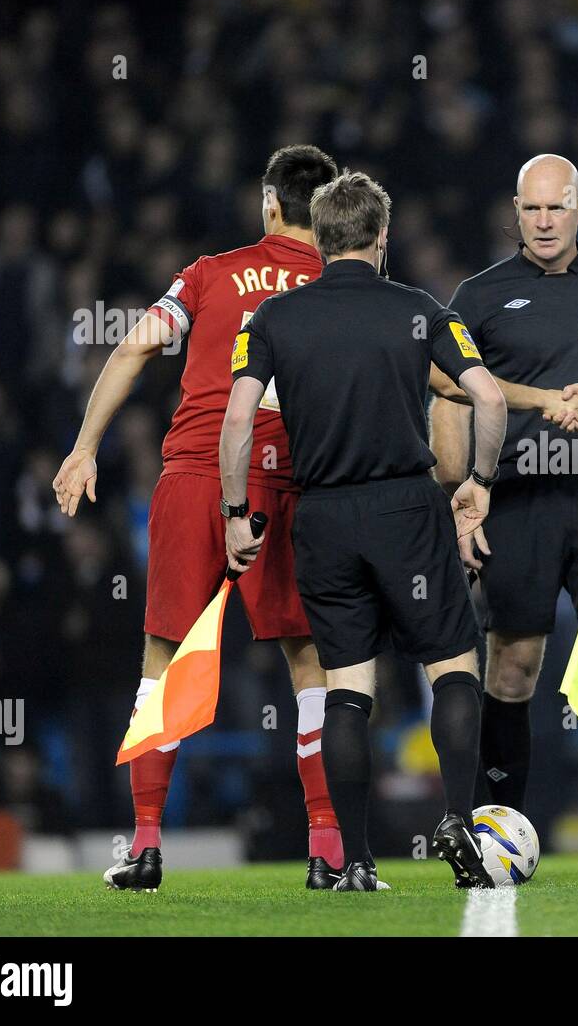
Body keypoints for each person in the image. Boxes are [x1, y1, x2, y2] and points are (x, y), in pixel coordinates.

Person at [52, 145, 355, 890]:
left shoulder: (208, 273)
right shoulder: (340, 282)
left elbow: (130, 348)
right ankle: (328, 851)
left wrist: (85, 447)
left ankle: (147, 844)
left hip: (192, 477)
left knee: (165, 660)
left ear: (268, 203)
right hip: (287, 482)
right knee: (309, 666)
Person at [221, 170, 508, 891]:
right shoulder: (418, 309)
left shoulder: (274, 320)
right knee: (452, 666)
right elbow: (488, 395)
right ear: (383, 237)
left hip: (320, 516)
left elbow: (235, 420)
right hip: (406, 509)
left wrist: (233, 513)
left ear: (319, 241)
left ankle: (352, 859)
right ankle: (459, 819)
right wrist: (477, 480)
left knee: (349, 688)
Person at [431, 153, 578, 877]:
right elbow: (445, 382)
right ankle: (499, 833)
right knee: (513, 667)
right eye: (530, 209)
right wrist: (459, 496)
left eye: (555, 207)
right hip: (520, 503)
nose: (541, 221)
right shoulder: (478, 295)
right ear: (516, 209)